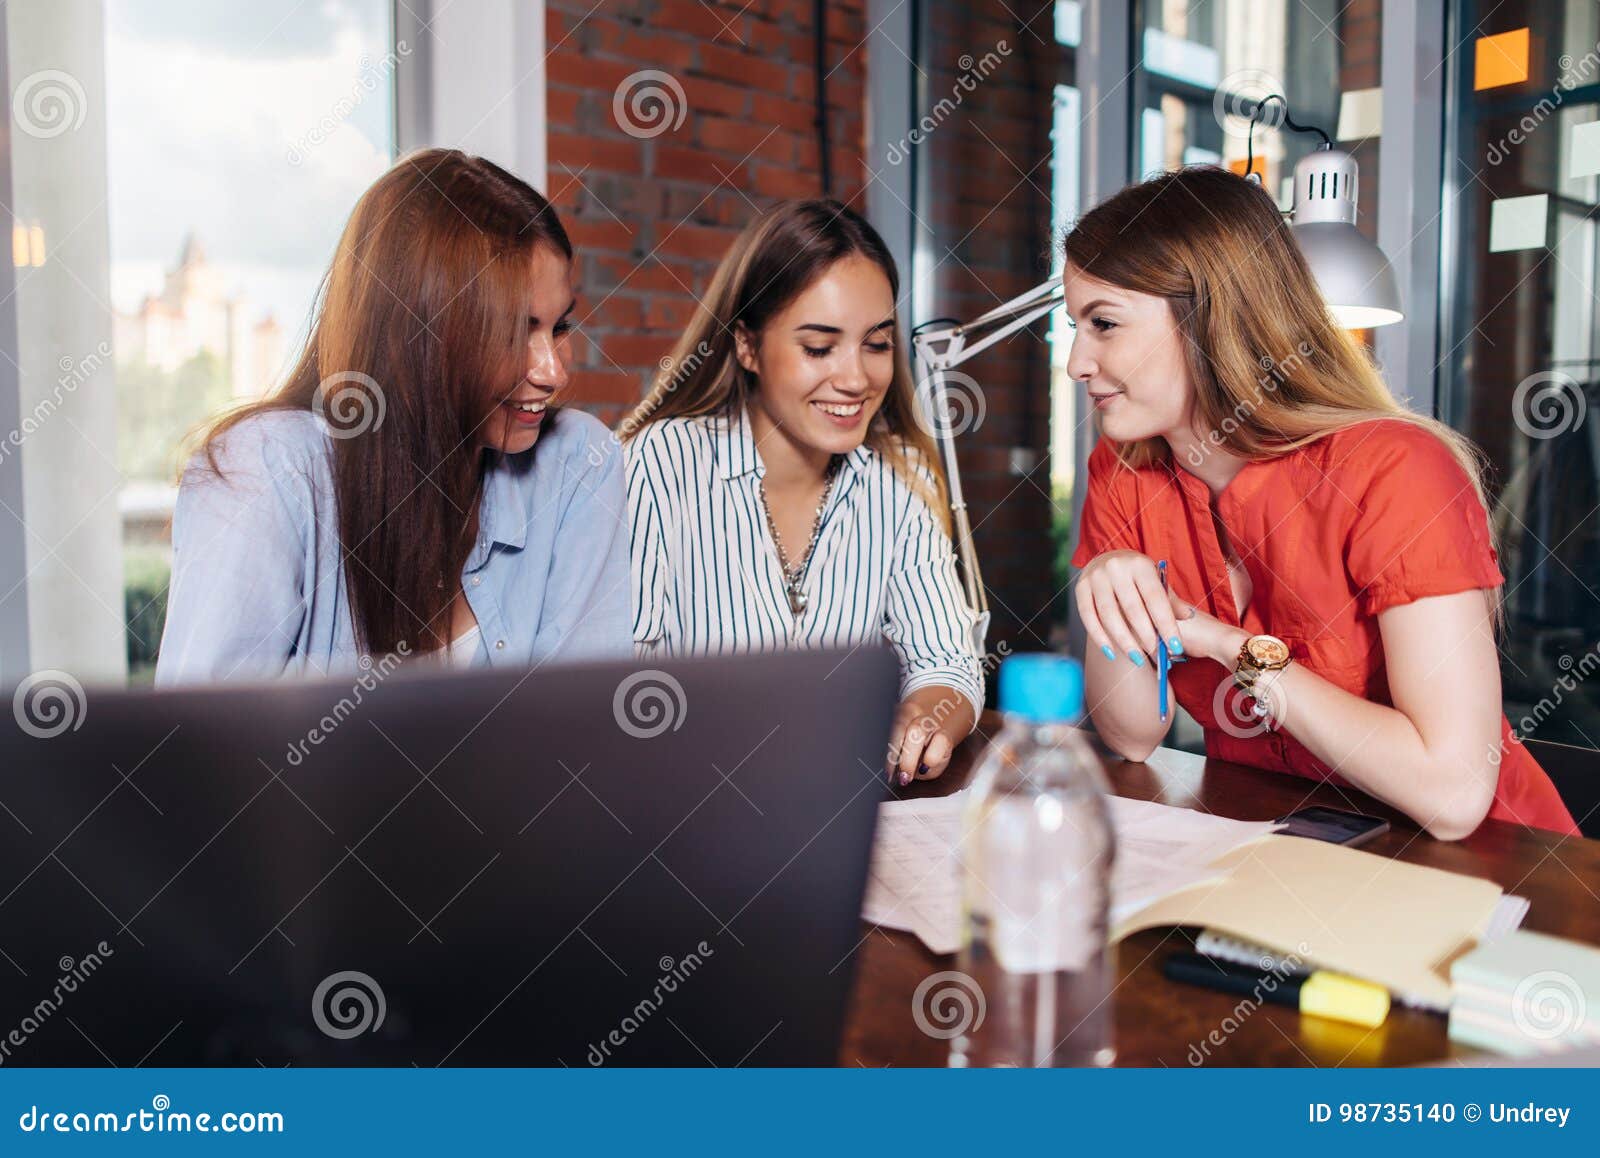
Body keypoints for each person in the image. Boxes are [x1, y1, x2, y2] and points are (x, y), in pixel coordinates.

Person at [1066, 166, 1577, 840]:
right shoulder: (1123, 467)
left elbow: (1454, 796)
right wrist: (1107, 596)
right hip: (1286, 851)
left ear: (1208, 320)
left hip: (1491, 871)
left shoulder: (1395, 471)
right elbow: (1132, 736)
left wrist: (1229, 646)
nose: (1076, 361)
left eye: (1103, 324)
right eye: (1075, 325)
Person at [156, 149, 629, 684]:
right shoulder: (266, 473)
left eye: (559, 328)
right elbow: (201, 752)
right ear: (417, 337)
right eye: (513, 331)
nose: (553, 372)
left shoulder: (576, 464)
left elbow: (583, 732)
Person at [620, 199, 984, 785]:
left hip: (841, 817)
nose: (856, 378)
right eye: (819, 347)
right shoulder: (664, 461)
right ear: (747, 346)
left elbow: (948, 659)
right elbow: (621, 677)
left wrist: (922, 715)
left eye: (876, 343)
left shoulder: (901, 479)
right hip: (687, 816)